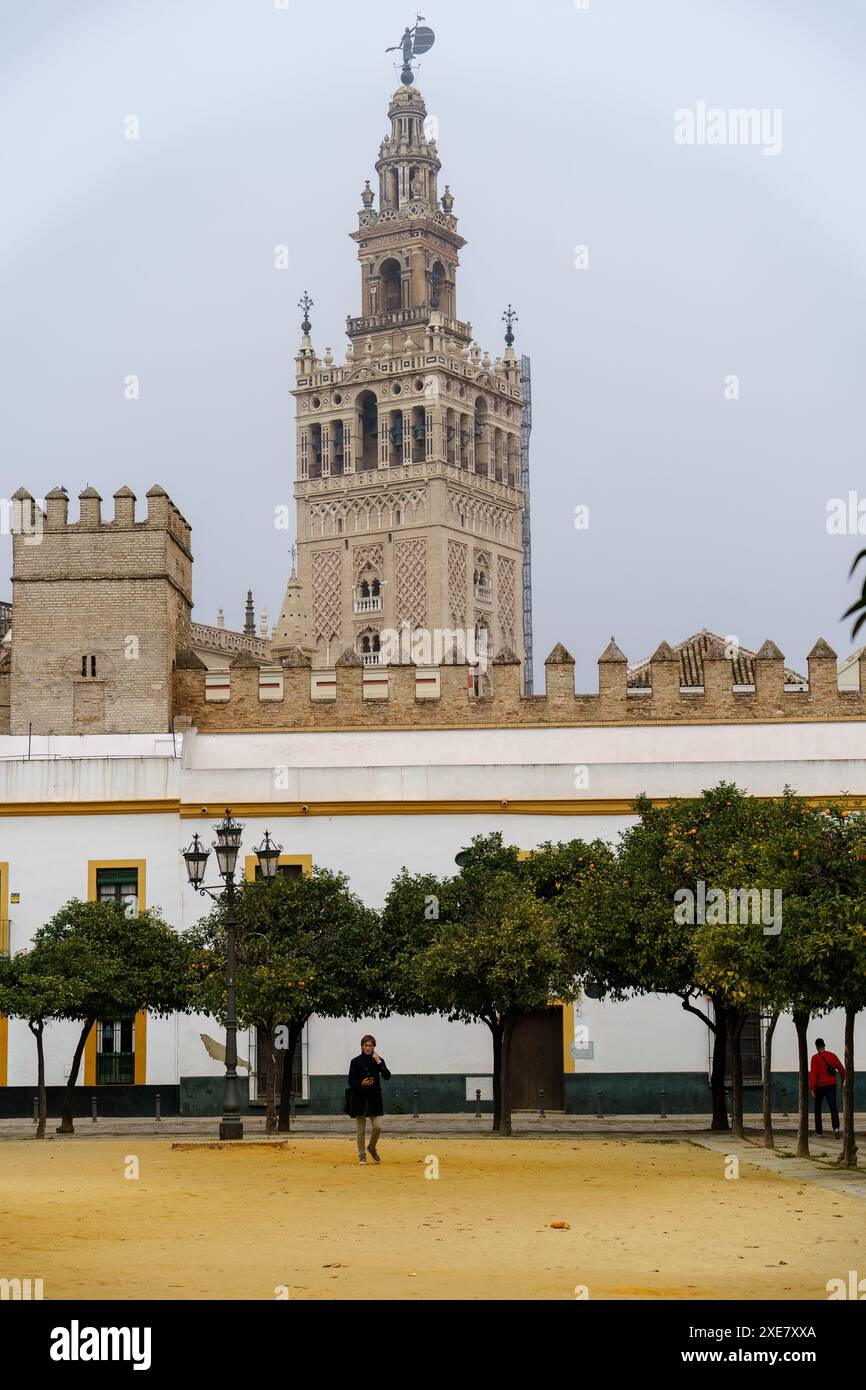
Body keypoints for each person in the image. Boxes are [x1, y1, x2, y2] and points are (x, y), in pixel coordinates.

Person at [347, 1035, 391, 1165]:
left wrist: (379, 1062)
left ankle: (371, 1147)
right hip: (360, 1098)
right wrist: (362, 1083)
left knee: (378, 1126)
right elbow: (351, 1081)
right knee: (360, 1131)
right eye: (366, 1045)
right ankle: (362, 1155)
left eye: (370, 1045)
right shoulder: (355, 1061)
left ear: (374, 1047)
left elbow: (387, 1076)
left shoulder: (378, 1060)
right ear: (362, 1046)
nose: (368, 1048)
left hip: (374, 1098)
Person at [810, 1037, 845, 1138]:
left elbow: (814, 1074)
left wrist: (812, 1088)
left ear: (816, 1047)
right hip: (831, 1085)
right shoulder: (832, 1056)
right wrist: (843, 1080)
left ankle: (819, 1132)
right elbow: (841, 1069)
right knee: (833, 1107)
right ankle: (836, 1128)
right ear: (824, 1045)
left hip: (819, 1086)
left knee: (817, 1109)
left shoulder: (815, 1058)